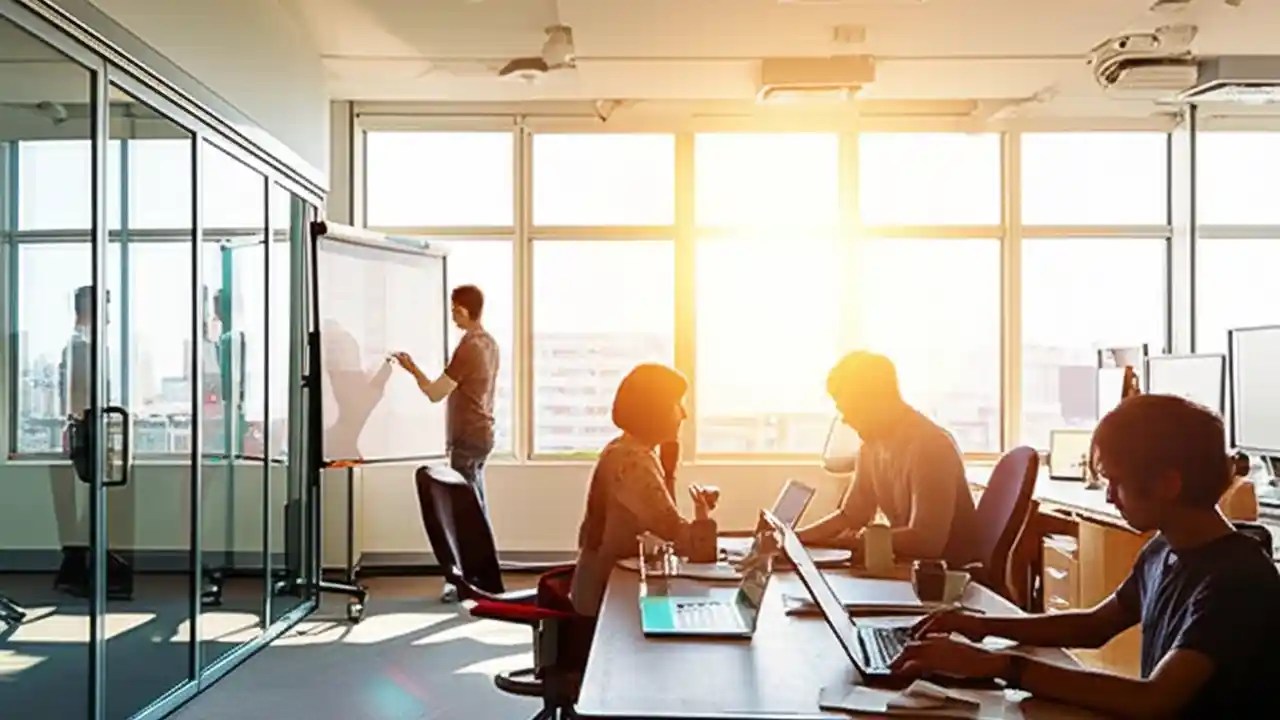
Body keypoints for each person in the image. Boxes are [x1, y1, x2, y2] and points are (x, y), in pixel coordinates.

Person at [896, 395, 1280, 718]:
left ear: (1168, 484)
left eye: (1117, 481)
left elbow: (1156, 699)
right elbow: (1094, 625)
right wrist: (981, 627)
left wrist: (1000, 665)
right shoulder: (1165, 549)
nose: (1110, 496)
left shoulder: (1237, 580)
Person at [795, 351, 977, 565]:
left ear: (877, 400)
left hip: (946, 579)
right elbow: (851, 516)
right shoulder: (870, 447)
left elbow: (928, 541)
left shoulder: (931, 447)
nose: (846, 420)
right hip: (906, 568)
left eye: (851, 409)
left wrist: (859, 540)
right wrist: (796, 539)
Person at [570, 363, 718, 617]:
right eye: (676, 404)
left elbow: (664, 526)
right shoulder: (632, 463)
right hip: (606, 600)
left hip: (607, 585)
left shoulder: (627, 449)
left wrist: (670, 472)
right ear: (655, 410)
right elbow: (680, 538)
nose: (684, 414)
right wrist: (703, 519)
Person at [391, 284, 499, 603]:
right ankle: (483, 576)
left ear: (465, 310)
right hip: (483, 433)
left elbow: (436, 392)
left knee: (463, 512)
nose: (452, 315)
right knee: (475, 508)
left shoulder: (469, 346)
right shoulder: (490, 343)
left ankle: (467, 581)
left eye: (454, 309)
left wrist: (411, 368)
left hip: (468, 436)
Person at [52, 286, 132, 599]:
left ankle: (79, 563)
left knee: (94, 499)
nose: (110, 317)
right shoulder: (79, 347)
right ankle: (79, 564)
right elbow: (77, 394)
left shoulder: (87, 346)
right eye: (105, 308)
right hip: (86, 430)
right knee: (91, 498)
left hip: (89, 428)